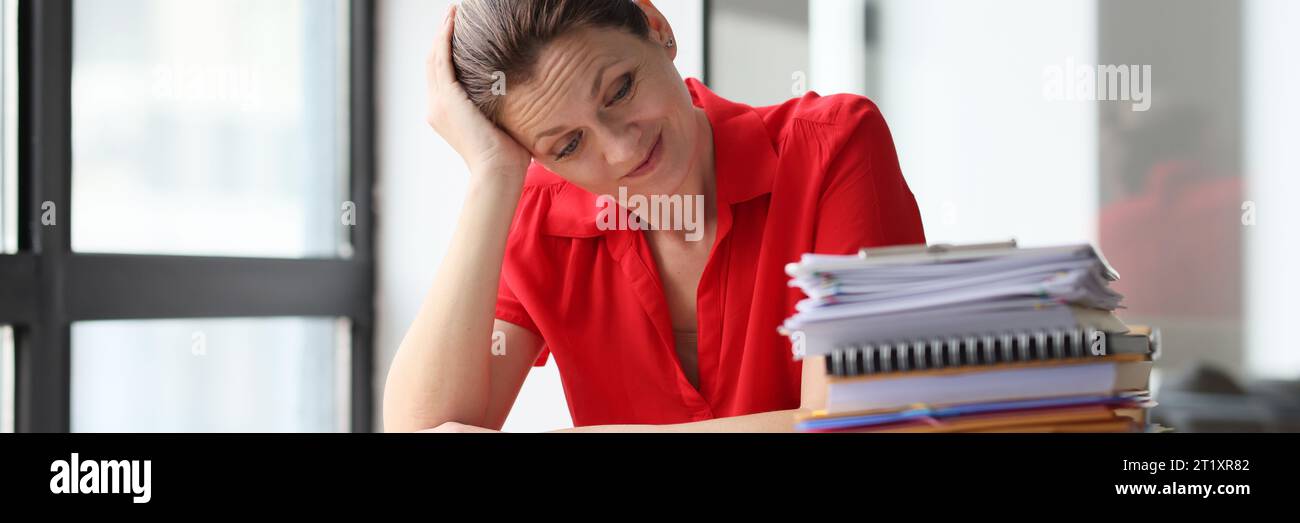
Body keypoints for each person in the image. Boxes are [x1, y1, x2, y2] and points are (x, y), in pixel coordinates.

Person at [383, 0, 925, 432]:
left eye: (619, 89)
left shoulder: (833, 148)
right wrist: (491, 175)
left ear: (656, 26)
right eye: (569, 144)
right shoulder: (538, 213)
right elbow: (424, 428)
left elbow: (860, 425)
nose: (621, 149)